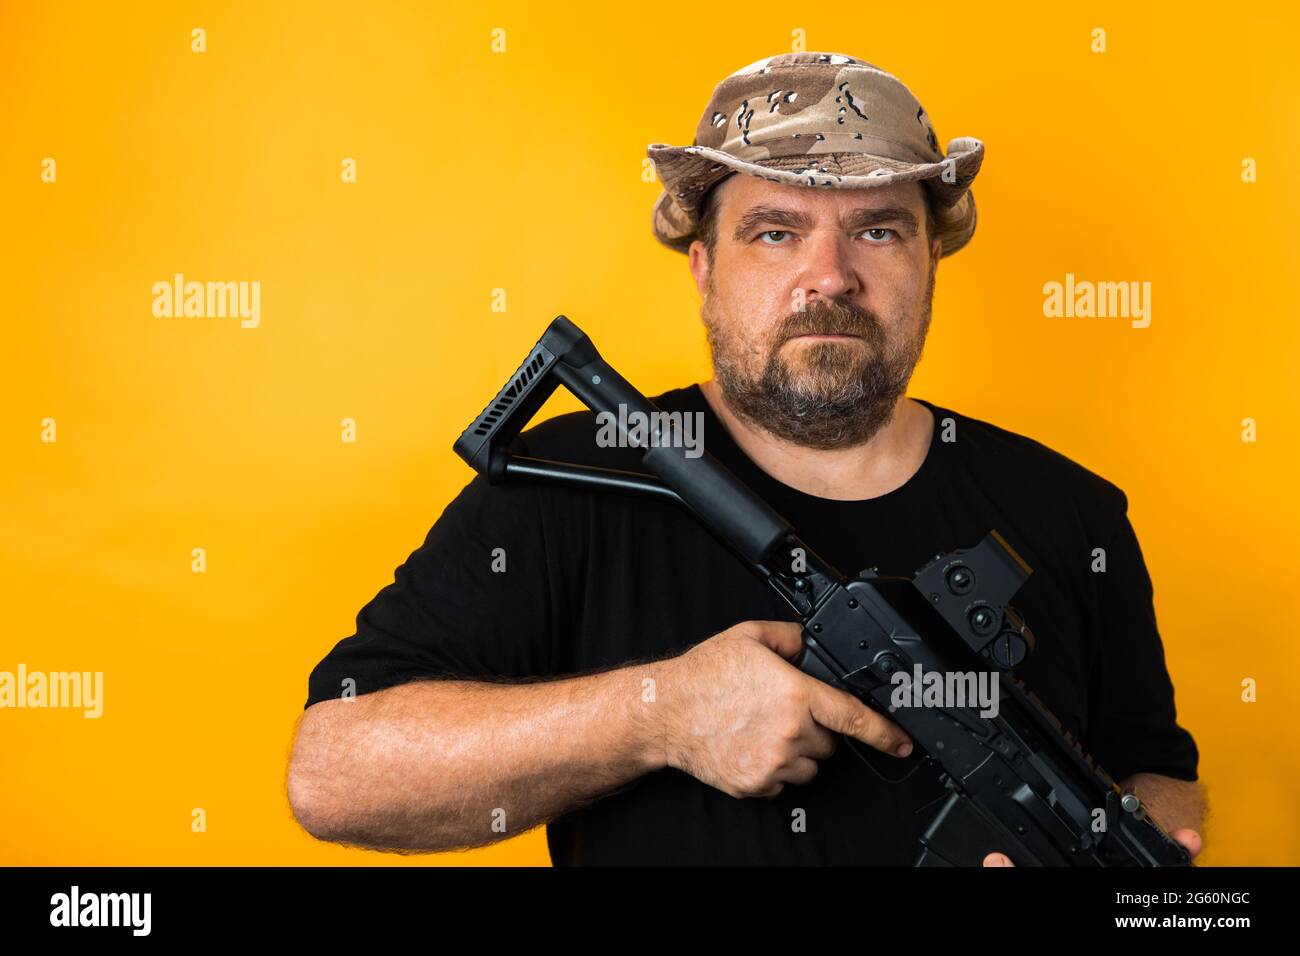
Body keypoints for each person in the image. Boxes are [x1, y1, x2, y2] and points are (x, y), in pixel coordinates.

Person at [287, 51, 1204, 866]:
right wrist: (658, 712)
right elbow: (336, 772)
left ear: (932, 260)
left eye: (879, 229)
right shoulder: (581, 480)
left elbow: (1156, 775)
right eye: (775, 231)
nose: (830, 275)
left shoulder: (1072, 510)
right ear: (702, 270)